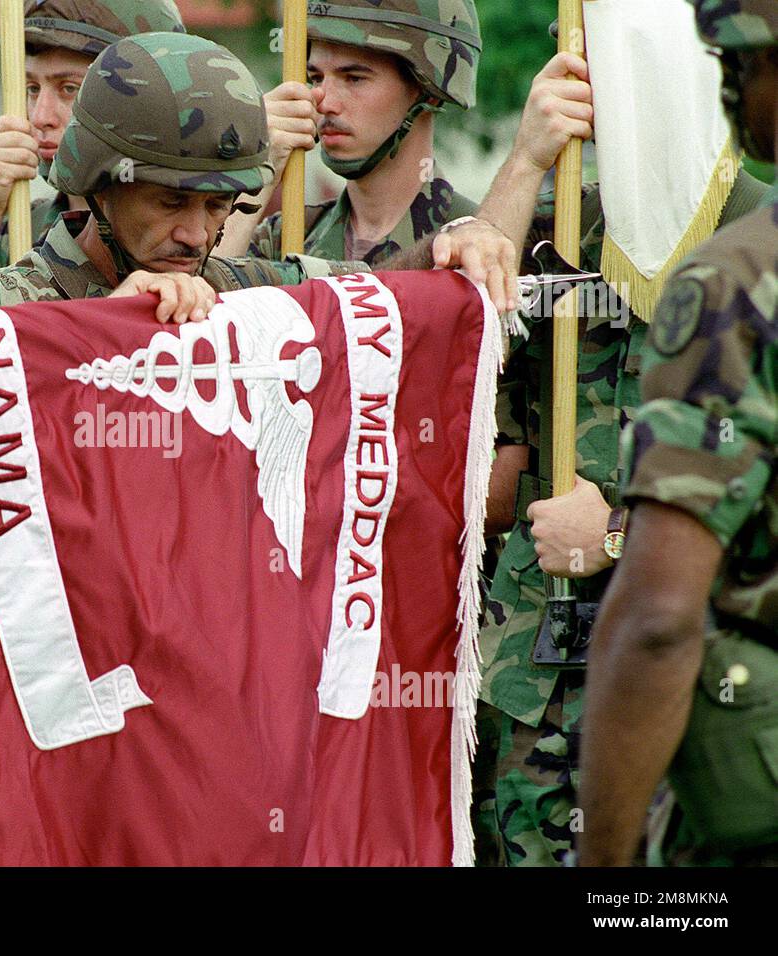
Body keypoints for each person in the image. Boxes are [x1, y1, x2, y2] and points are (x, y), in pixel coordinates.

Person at [469, 22, 769, 864]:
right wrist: (526, 161)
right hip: (539, 698)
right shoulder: (568, 227)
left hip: (699, 707)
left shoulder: (761, 261)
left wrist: (613, 539)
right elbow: (463, 327)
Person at [0, 32, 517, 317]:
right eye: (172, 203)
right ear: (99, 184)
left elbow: (377, 291)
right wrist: (96, 326)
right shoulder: (8, 303)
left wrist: (453, 239)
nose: (198, 236)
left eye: (218, 206)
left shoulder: (242, 286)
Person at [580, 0, 778, 867]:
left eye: (743, 62)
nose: (724, 83)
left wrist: (608, 872)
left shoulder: (737, 280)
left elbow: (659, 616)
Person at [0, 0, 188, 295]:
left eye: (69, 89)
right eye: (32, 89)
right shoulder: (23, 227)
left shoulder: (194, 233)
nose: (40, 117)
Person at [216, 0, 482, 265]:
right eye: (316, 78)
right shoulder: (284, 238)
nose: (324, 103)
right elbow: (207, 293)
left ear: (428, 93)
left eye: (354, 78)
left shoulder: (473, 243)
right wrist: (264, 170)